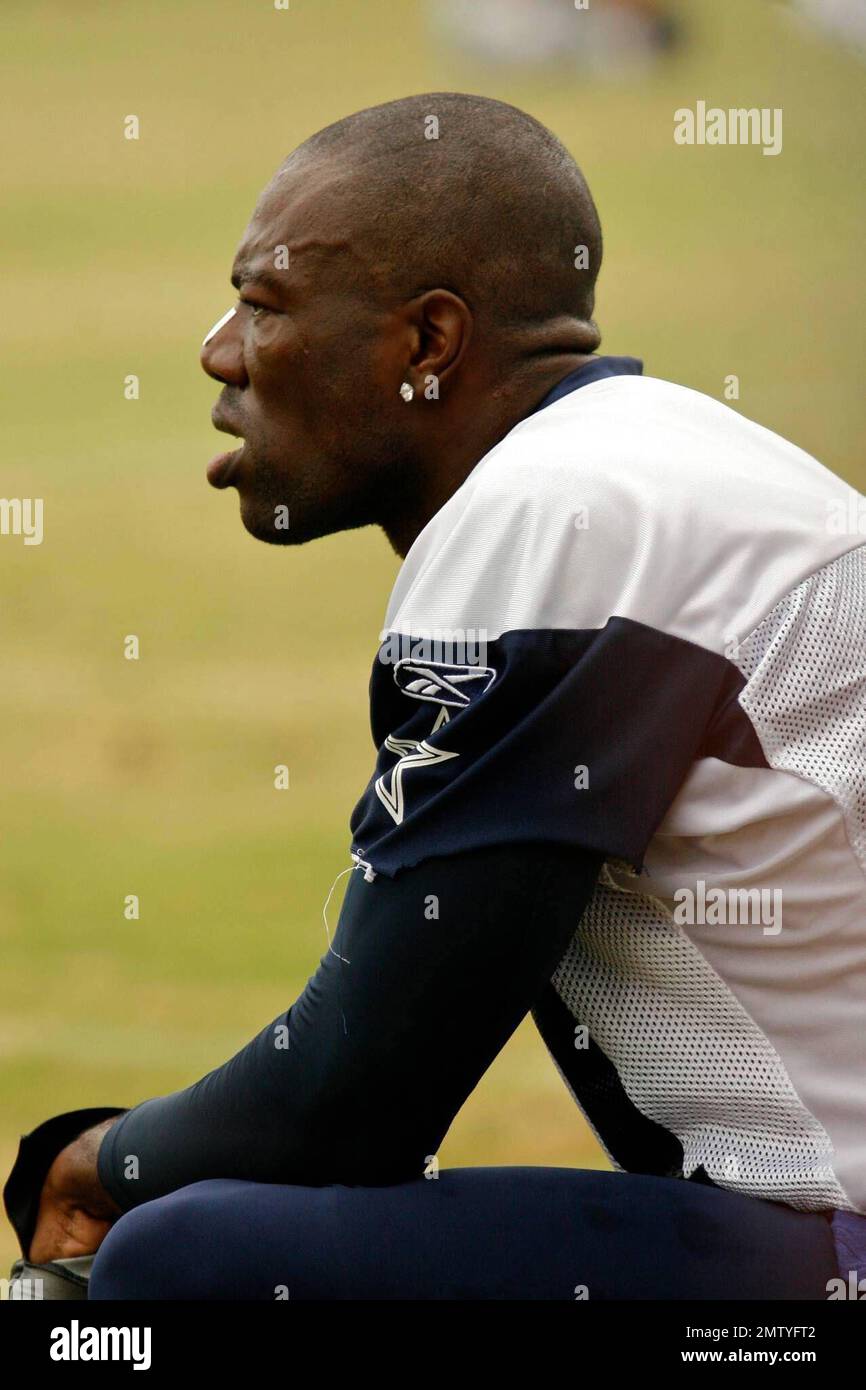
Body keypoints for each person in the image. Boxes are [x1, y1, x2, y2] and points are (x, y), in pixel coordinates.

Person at [23, 92, 865, 1300]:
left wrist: (93, 1163)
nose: (218, 350)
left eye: (263, 304)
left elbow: (353, 1098)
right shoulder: (660, 463)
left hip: (831, 1256)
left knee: (182, 1262)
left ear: (427, 345)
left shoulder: (550, 516)